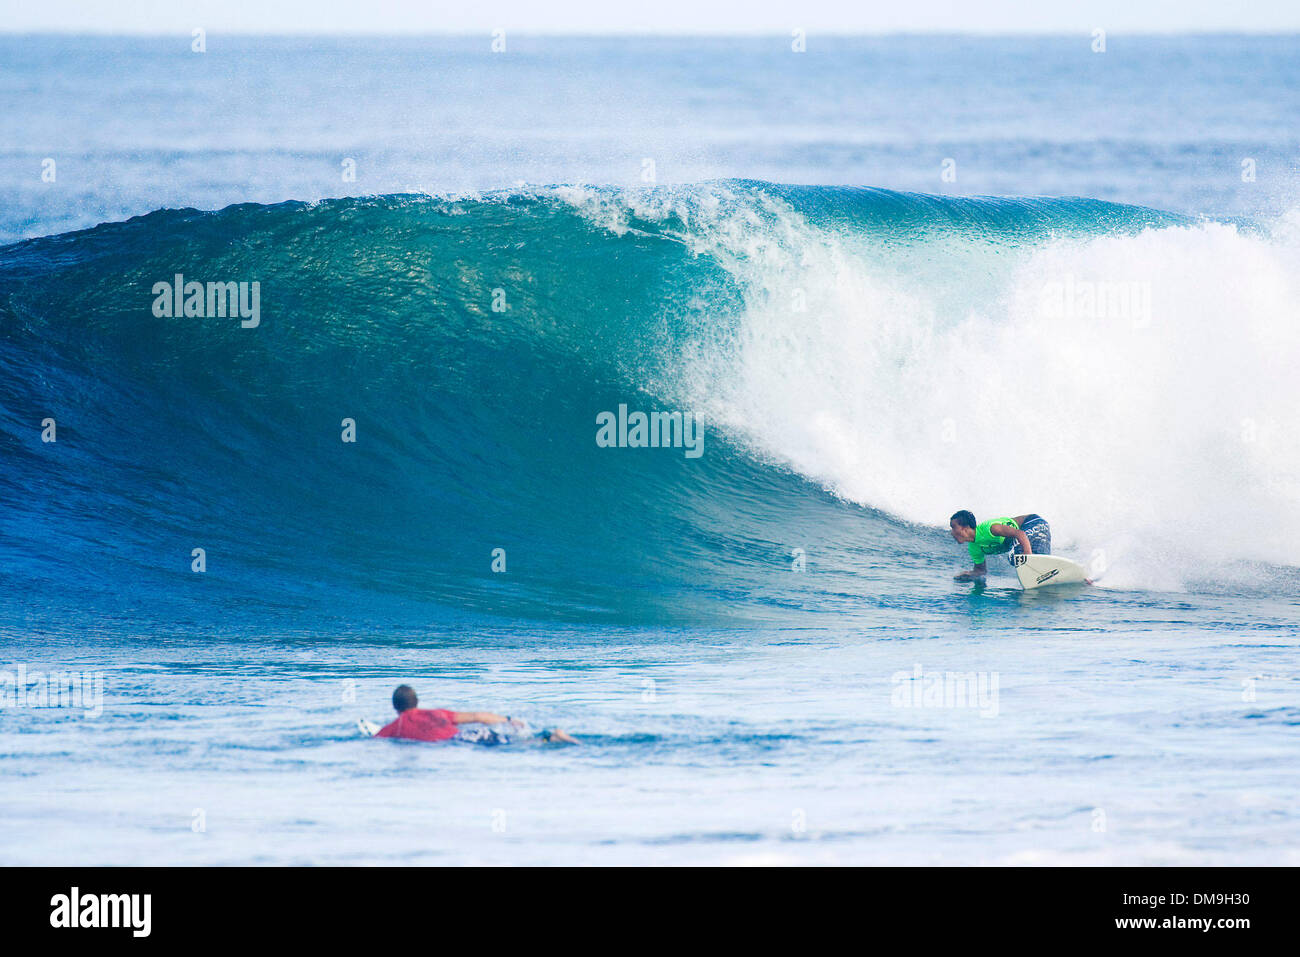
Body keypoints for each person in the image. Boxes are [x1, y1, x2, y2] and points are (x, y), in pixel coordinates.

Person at [372, 685, 578, 745]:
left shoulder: (395, 727)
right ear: (417, 702)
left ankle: (550, 738)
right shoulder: (437, 713)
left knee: (519, 745)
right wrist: (507, 720)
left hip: (461, 741)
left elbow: (375, 739)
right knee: (512, 740)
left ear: (395, 707)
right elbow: (477, 716)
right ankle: (551, 736)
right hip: (474, 733)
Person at [949, 510, 1051, 581]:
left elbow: (1020, 534)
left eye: (954, 527)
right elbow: (981, 570)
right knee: (1036, 557)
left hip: (1034, 522)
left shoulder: (989, 529)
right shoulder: (974, 548)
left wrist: (1028, 557)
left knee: (1016, 556)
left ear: (965, 527)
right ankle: (1048, 574)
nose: (952, 532)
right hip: (1029, 535)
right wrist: (970, 575)